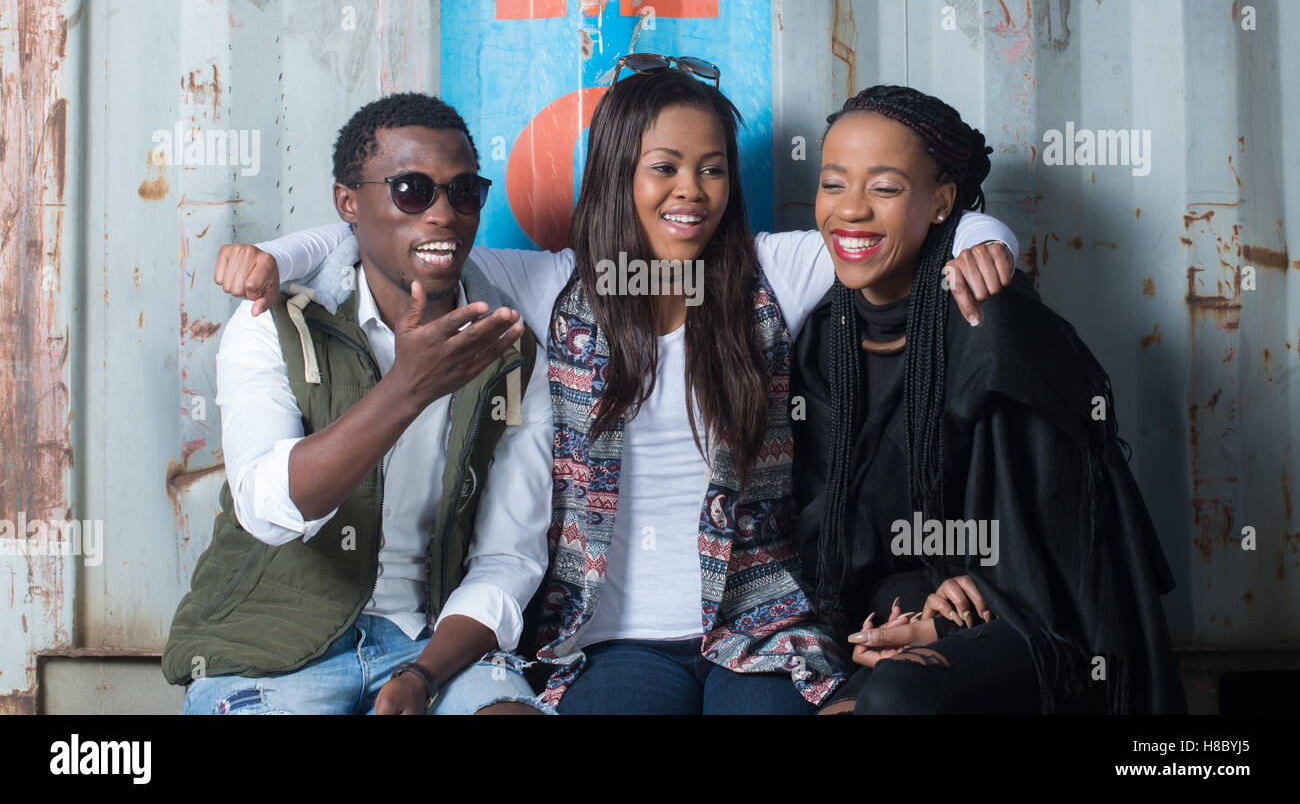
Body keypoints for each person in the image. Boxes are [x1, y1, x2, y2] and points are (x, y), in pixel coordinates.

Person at [213, 57, 1021, 713]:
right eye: (664, 167)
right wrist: (279, 257)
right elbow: (411, 240)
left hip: (759, 621)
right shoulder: (552, 286)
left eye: (712, 170)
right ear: (617, 173)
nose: (692, 192)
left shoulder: (771, 272)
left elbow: (884, 232)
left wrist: (985, 236)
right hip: (609, 636)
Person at [791, 84, 1186, 714]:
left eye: (886, 188)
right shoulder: (819, 341)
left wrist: (949, 616)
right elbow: (831, 541)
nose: (851, 211)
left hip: (1027, 619)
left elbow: (1061, 550)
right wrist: (890, 620)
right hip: (891, 615)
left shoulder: (992, 328)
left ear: (943, 202)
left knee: (894, 699)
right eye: (833, 184)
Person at [163, 93, 555, 715]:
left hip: (433, 645)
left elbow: (509, 556)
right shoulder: (275, 324)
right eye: (411, 190)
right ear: (349, 202)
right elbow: (270, 508)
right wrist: (408, 388)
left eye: (464, 193)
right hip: (278, 646)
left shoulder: (509, 350)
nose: (443, 215)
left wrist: (425, 676)